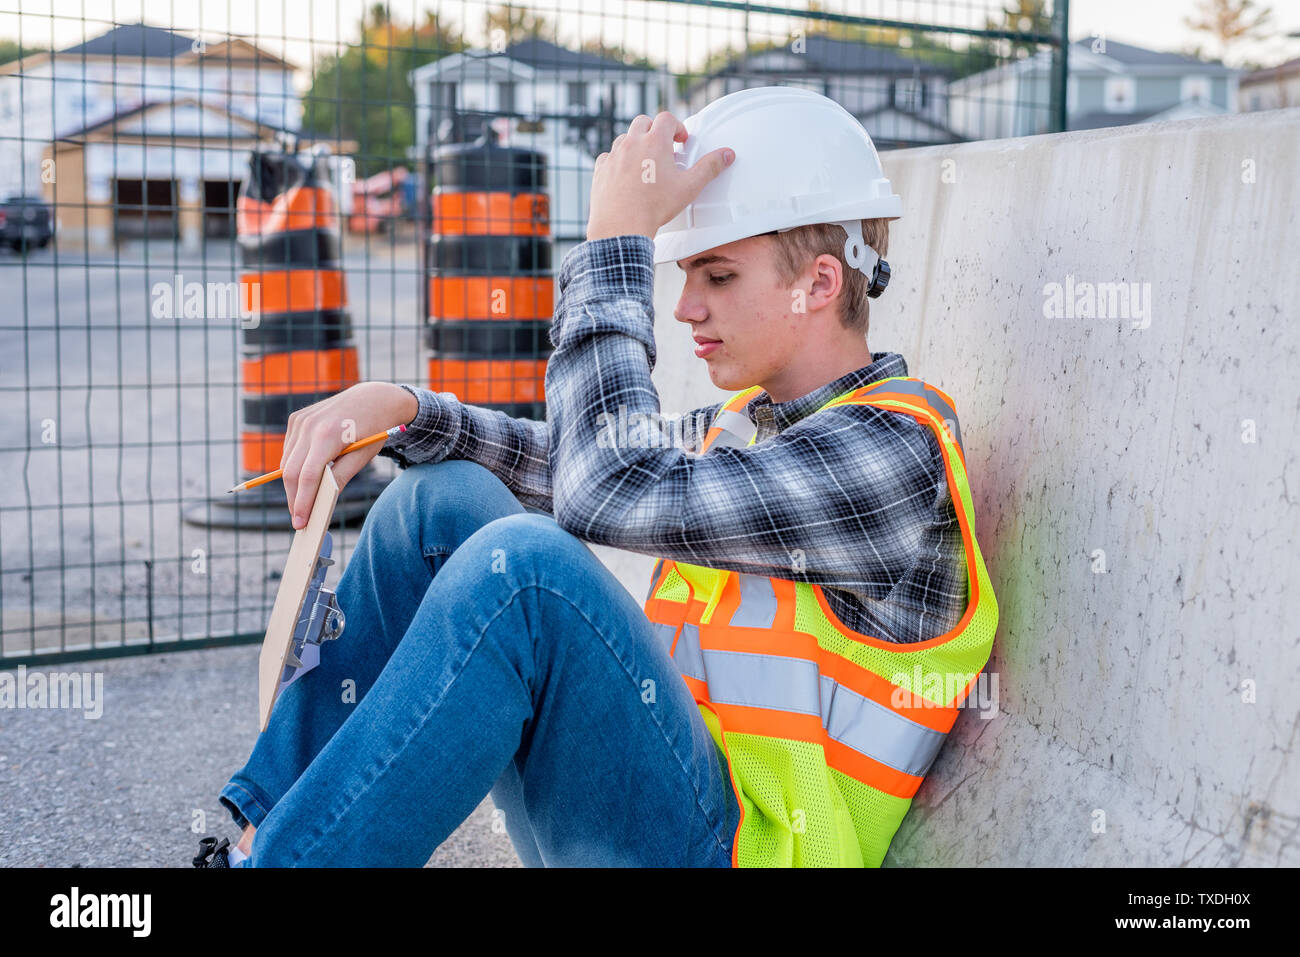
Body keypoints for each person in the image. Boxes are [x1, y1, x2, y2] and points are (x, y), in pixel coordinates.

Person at [195, 87, 997, 868]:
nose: (684, 307)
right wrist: (408, 411)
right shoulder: (753, 428)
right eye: (683, 275)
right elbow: (571, 464)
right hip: (659, 802)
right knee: (438, 502)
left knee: (525, 575)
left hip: (740, 852)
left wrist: (615, 241)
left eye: (717, 277)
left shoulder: (892, 457)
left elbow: (607, 483)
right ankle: (256, 838)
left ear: (819, 284)